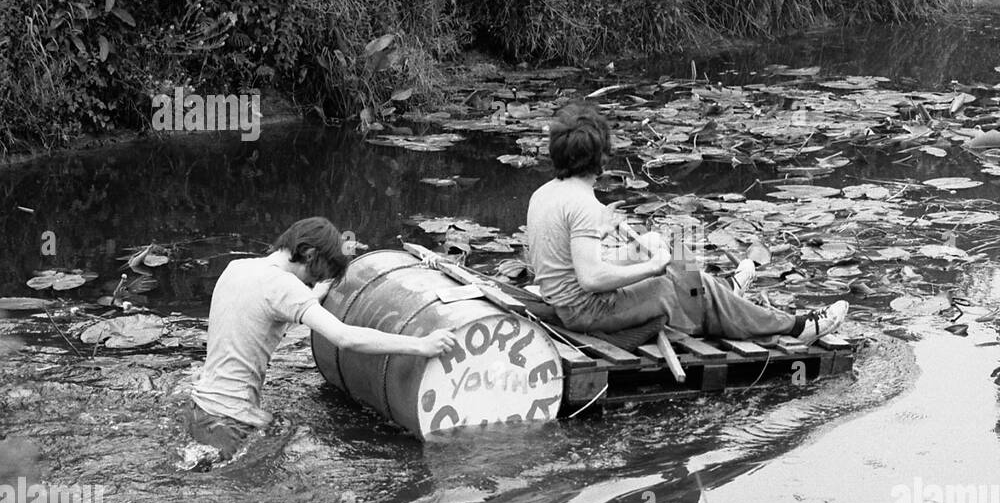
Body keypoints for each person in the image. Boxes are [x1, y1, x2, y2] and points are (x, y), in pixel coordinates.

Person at [525, 103, 848, 342]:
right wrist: (654, 267)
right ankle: (793, 326)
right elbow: (592, 279)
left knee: (658, 243)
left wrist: (618, 238)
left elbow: (562, 255)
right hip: (587, 311)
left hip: (567, 300)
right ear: (601, 158)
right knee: (678, 281)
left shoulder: (544, 193)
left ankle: (727, 291)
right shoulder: (584, 203)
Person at [189, 217, 456, 459]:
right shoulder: (284, 286)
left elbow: (273, 305)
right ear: (309, 253)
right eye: (314, 277)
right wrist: (421, 344)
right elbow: (345, 337)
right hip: (232, 422)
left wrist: (316, 290)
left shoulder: (237, 268)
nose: (311, 285)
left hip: (201, 410)